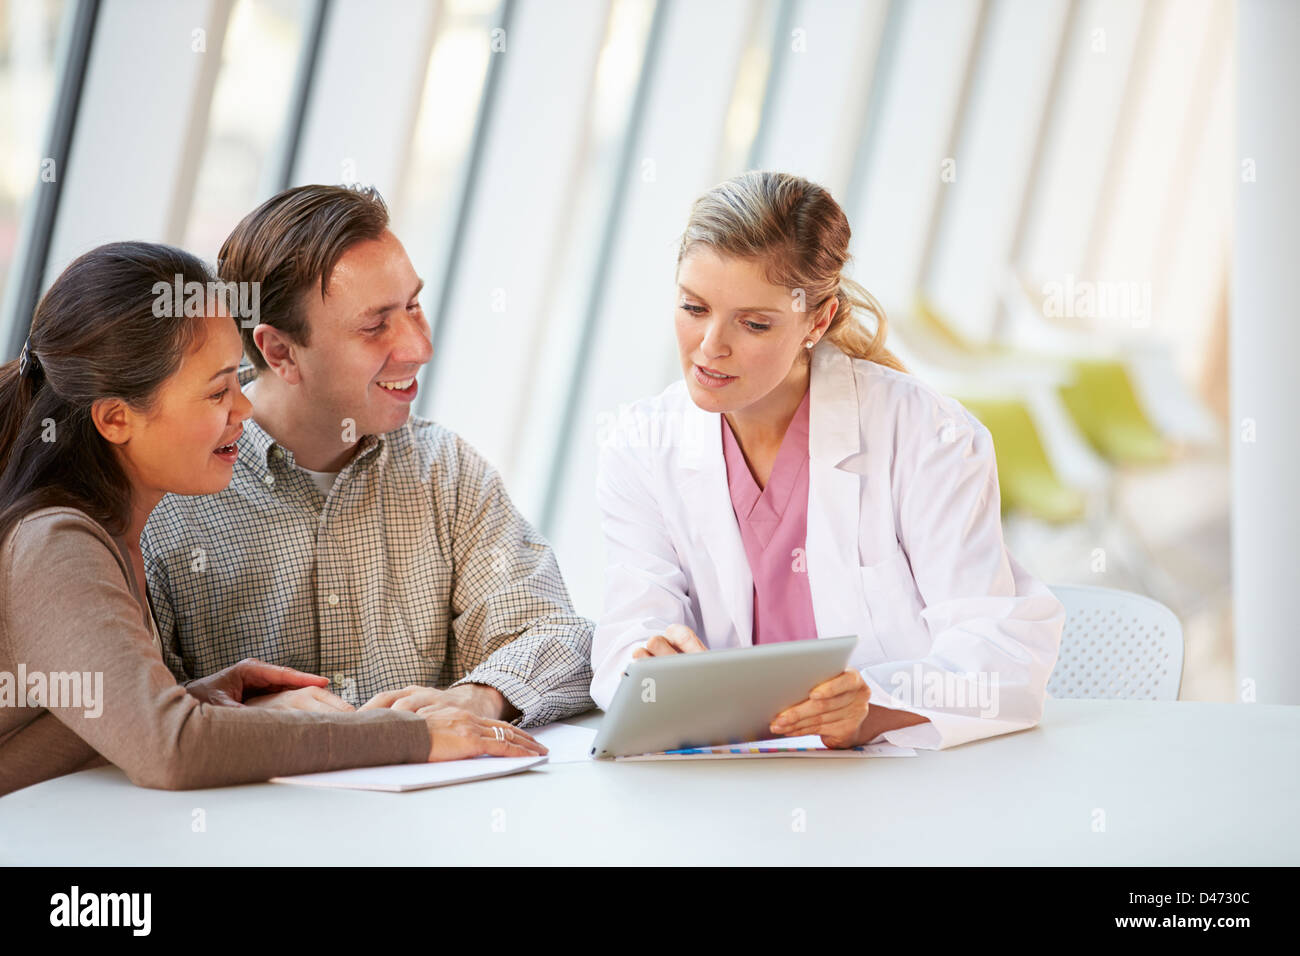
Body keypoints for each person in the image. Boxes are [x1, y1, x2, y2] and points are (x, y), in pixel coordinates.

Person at [0, 242, 545, 796]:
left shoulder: (102, 536)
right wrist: (413, 735)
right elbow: (172, 749)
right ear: (116, 419)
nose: (243, 407)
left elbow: (83, 732)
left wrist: (200, 699)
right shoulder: (57, 545)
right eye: (218, 391)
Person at [590, 170, 1064, 750]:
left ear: (816, 320)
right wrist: (648, 665)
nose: (711, 346)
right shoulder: (642, 447)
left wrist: (873, 709)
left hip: (897, 779)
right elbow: (625, 638)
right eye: (694, 307)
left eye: (754, 323)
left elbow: (1000, 655)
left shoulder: (927, 436)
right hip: (726, 777)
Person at [140, 185, 594, 727]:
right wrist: (237, 717)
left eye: (413, 306)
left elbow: (560, 638)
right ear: (279, 351)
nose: (420, 348)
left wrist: (480, 696)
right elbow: (136, 714)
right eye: (376, 326)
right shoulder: (167, 498)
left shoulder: (445, 471)